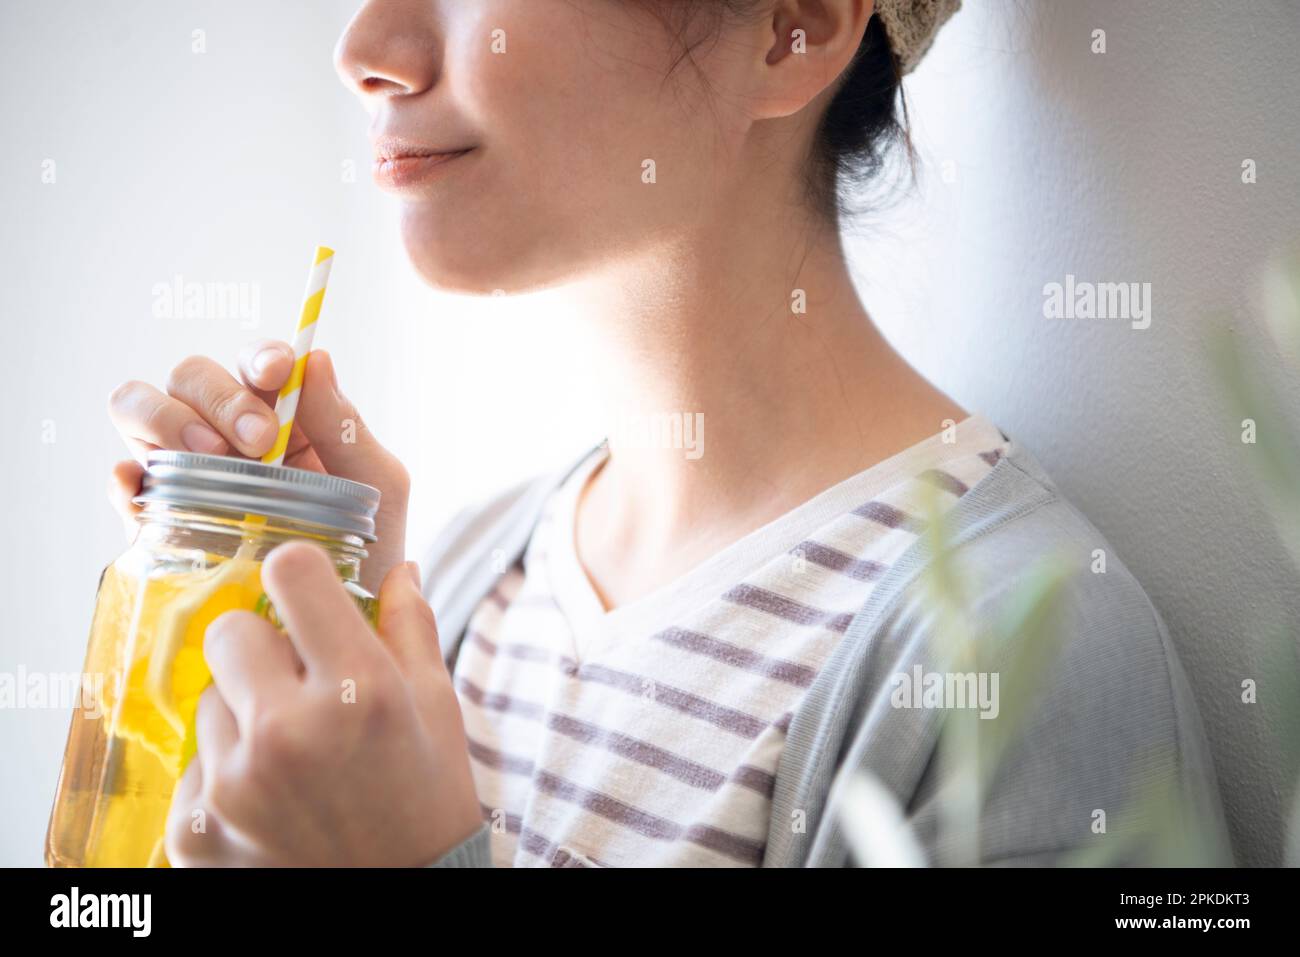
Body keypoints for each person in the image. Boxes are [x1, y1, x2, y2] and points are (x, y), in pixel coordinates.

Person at [104, 0, 1230, 867]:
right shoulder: (465, 575)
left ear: (793, 30)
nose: (367, 46)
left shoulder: (1019, 657)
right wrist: (306, 610)